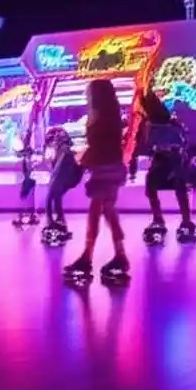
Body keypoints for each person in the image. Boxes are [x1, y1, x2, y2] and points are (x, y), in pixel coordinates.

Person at [64, 79, 129, 281]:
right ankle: (120, 254)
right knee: (108, 211)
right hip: (111, 167)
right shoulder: (111, 116)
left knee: (96, 210)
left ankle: (88, 256)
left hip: (104, 169)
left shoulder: (100, 119)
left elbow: (98, 147)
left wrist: (81, 161)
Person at [131, 87, 195, 243]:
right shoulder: (150, 125)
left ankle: (186, 220)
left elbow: (184, 143)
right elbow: (147, 144)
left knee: (179, 185)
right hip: (160, 159)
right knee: (150, 186)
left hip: (175, 159)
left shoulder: (172, 124)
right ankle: (158, 219)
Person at [41, 127, 83, 244]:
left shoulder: (64, 152)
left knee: (51, 199)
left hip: (61, 180)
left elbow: (60, 169)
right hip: (64, 180)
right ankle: (58, 223)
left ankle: (55, 223)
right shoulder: (63, 151)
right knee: (54, 199)